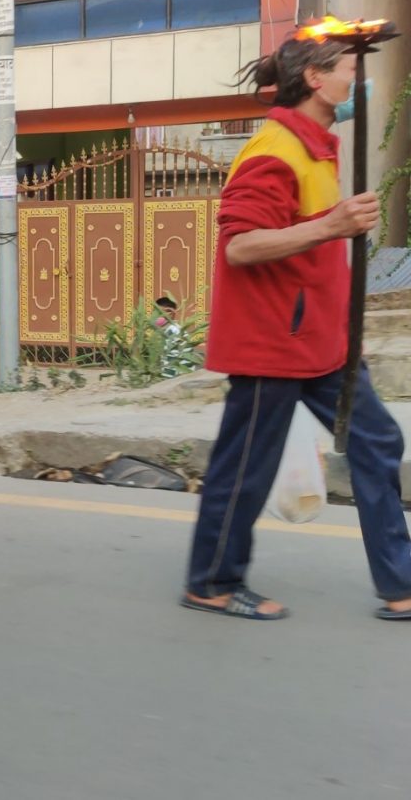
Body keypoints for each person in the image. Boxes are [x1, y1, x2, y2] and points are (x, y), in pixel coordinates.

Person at [182, 32, 411, 622]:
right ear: (315, 79)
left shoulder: (315, 145)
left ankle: (400, 583)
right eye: (351, 70)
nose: (360, 81)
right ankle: (211, 582)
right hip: (272, 345)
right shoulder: (274, 150)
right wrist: (332, 224)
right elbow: (240, 246)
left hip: (323, 343)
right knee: (245, 467)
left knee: (379, 441)